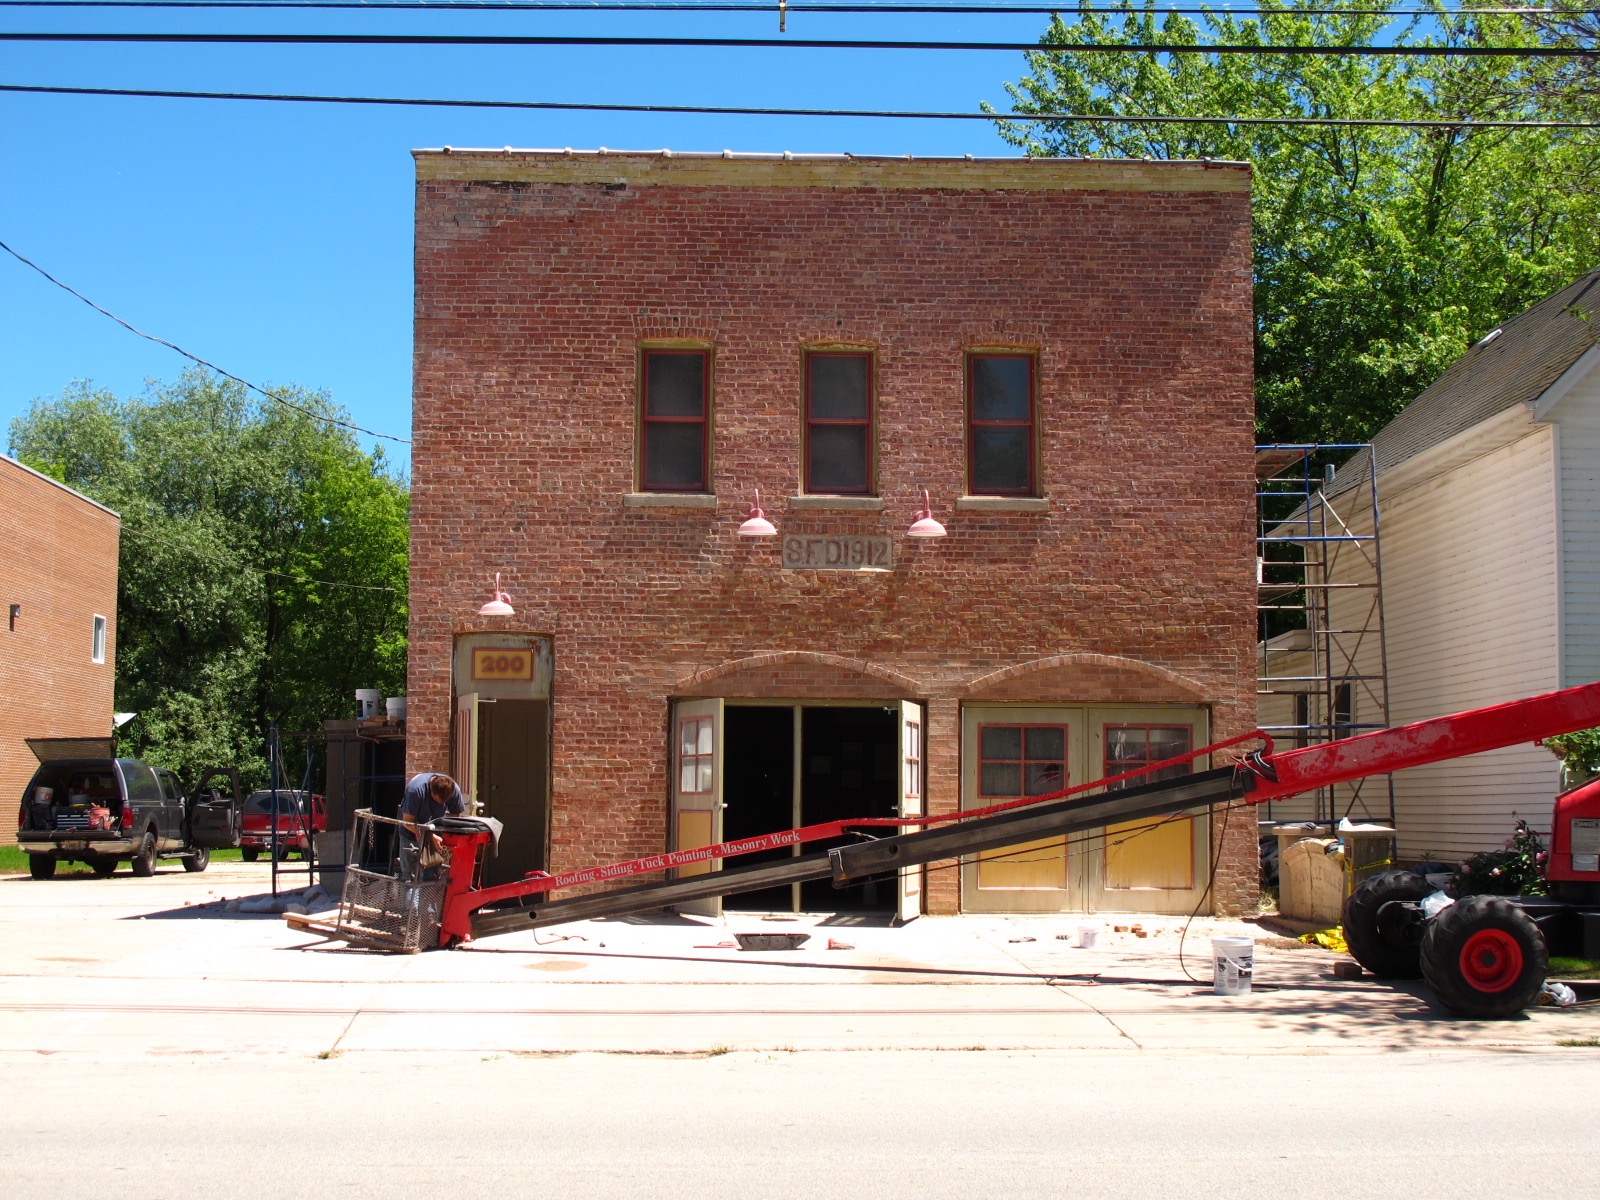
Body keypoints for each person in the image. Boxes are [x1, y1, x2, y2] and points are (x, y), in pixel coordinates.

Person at [396, 772, 465, 884]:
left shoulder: (454, 790)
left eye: (443, 802)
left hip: (435, 836)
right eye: (436, 800)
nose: (439, 804)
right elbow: (407, 822)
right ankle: (410, 901)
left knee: (432, 878)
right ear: (431, 790)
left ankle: (428, 901)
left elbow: (455, 819)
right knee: (410, 879)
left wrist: (449, 841)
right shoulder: (416, 790)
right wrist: (431, 836)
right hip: (411, 834)